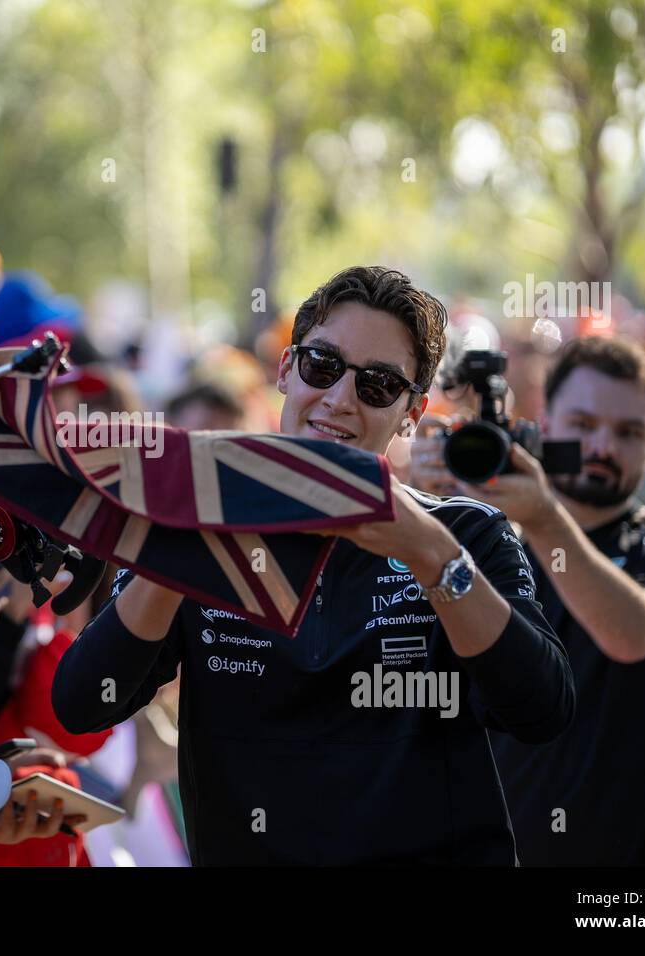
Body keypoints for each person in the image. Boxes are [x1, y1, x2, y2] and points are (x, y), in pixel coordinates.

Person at [52, 265, 575, 865]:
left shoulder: (463, 534)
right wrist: (177, 551)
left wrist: (431, 556)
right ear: (285, 370)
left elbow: (542, 710)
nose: (339, 399)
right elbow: (82, 706)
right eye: (322, 366)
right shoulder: (198, 533)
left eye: (378, 385)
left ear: (412, 411)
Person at [414, 336, 645, 866]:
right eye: (583, 426)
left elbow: (631, 633)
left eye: (629, 432)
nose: (602, 448)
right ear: (543, 427)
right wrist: (426, 511)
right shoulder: (489, 552)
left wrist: (542, 517)